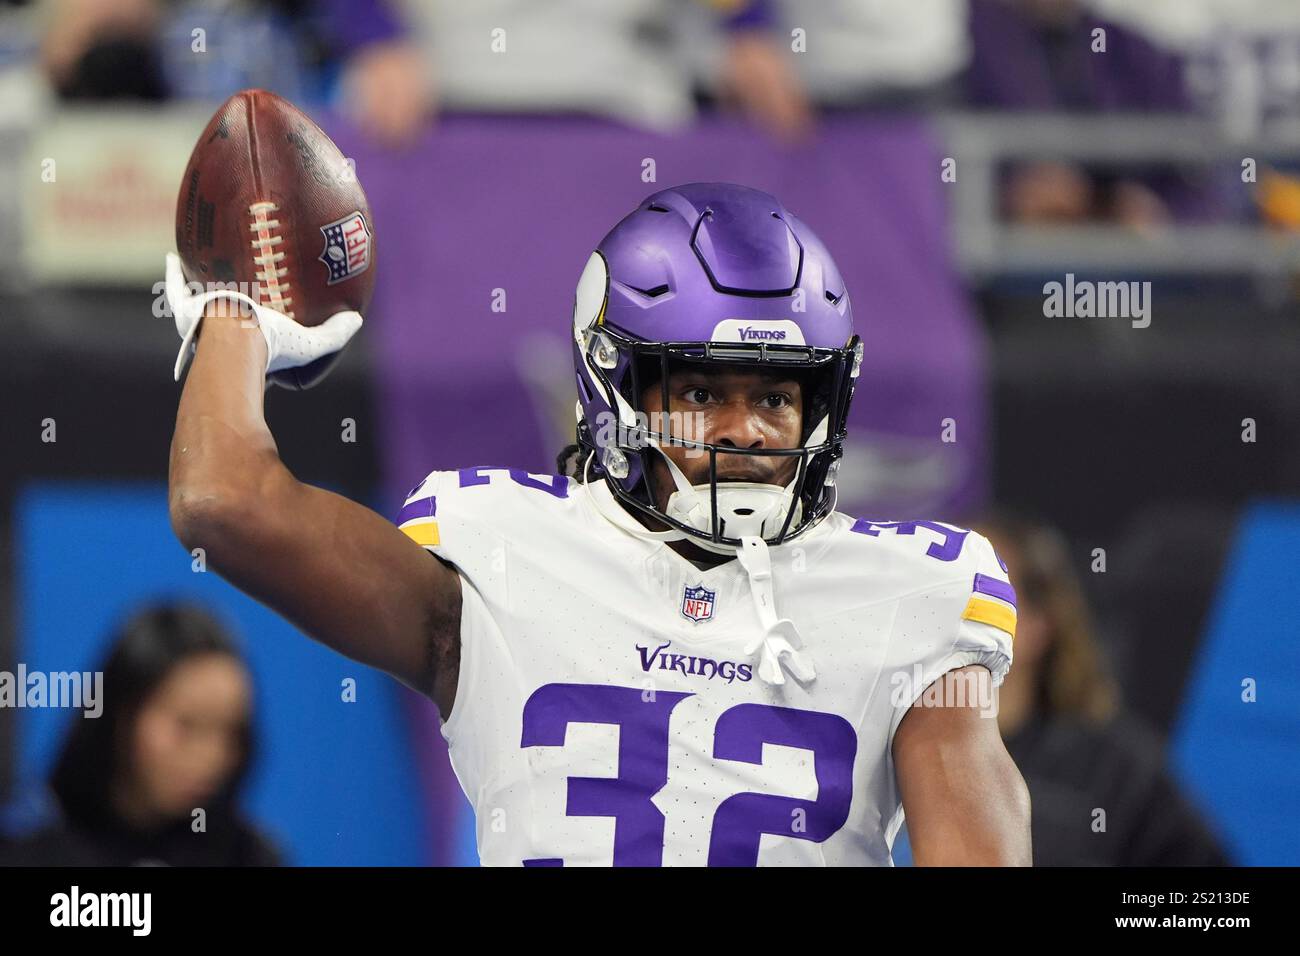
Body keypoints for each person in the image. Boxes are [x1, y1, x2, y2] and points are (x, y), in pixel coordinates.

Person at [163, 182, 1030, 866]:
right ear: (612, 390)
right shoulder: (500, 553)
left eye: (774, 395)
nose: (744, 429)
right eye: (700, 391)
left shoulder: (911, 593)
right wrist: (237, 317)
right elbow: (223, 503)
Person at [973, 511, 1229, 866]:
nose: (949, 614)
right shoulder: (888, 754)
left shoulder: (1118, 772)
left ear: (1037, 625)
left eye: (976, 592)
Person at [0, 604, 280, 866]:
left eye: (231, 731)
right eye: (187, 724)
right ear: (122, 714)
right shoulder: (29, 849)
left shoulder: (251, 857)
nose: (211, 755)